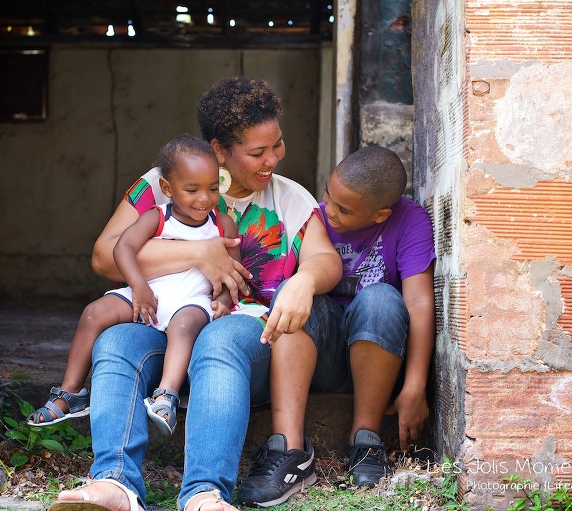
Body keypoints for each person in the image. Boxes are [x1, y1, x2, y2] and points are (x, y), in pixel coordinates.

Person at [49, 76, 342, 511]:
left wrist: (303, 281)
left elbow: (326, 260)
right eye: (257, 152)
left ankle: (205, 492)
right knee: (115, 341)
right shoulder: (161, 184)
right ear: (219, 150)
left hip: (239, 335)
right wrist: (198, 253)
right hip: (162, 319)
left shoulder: (289, 198)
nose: (273, 160)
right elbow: (105, 257)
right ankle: (114, 483)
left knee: (217, 340)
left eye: (276, 146)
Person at [236, 145, 436, 506]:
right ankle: (289, 449)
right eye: (328, 196)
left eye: (343, 209)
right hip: (316, 354)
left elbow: (419, 302)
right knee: (296, 292)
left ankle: (366, 441)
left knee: (380, 297)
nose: (329, 211)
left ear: (380, 216)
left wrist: (416, 385)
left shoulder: (410, 220)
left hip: (377, 355)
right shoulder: (314, 216)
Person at [28, 134, 238, 438]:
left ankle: (166, 396)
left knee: (183, 327)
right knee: (94, 313)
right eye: (192, 190)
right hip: (147, 294)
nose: (204, 198)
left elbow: (233, 269)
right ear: (167, 188)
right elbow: (122, 248)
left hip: (191, 301)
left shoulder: (222, 225)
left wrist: (225, 301)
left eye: (213, 189)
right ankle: (69, 394)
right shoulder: (157, 218)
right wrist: (138, 286)